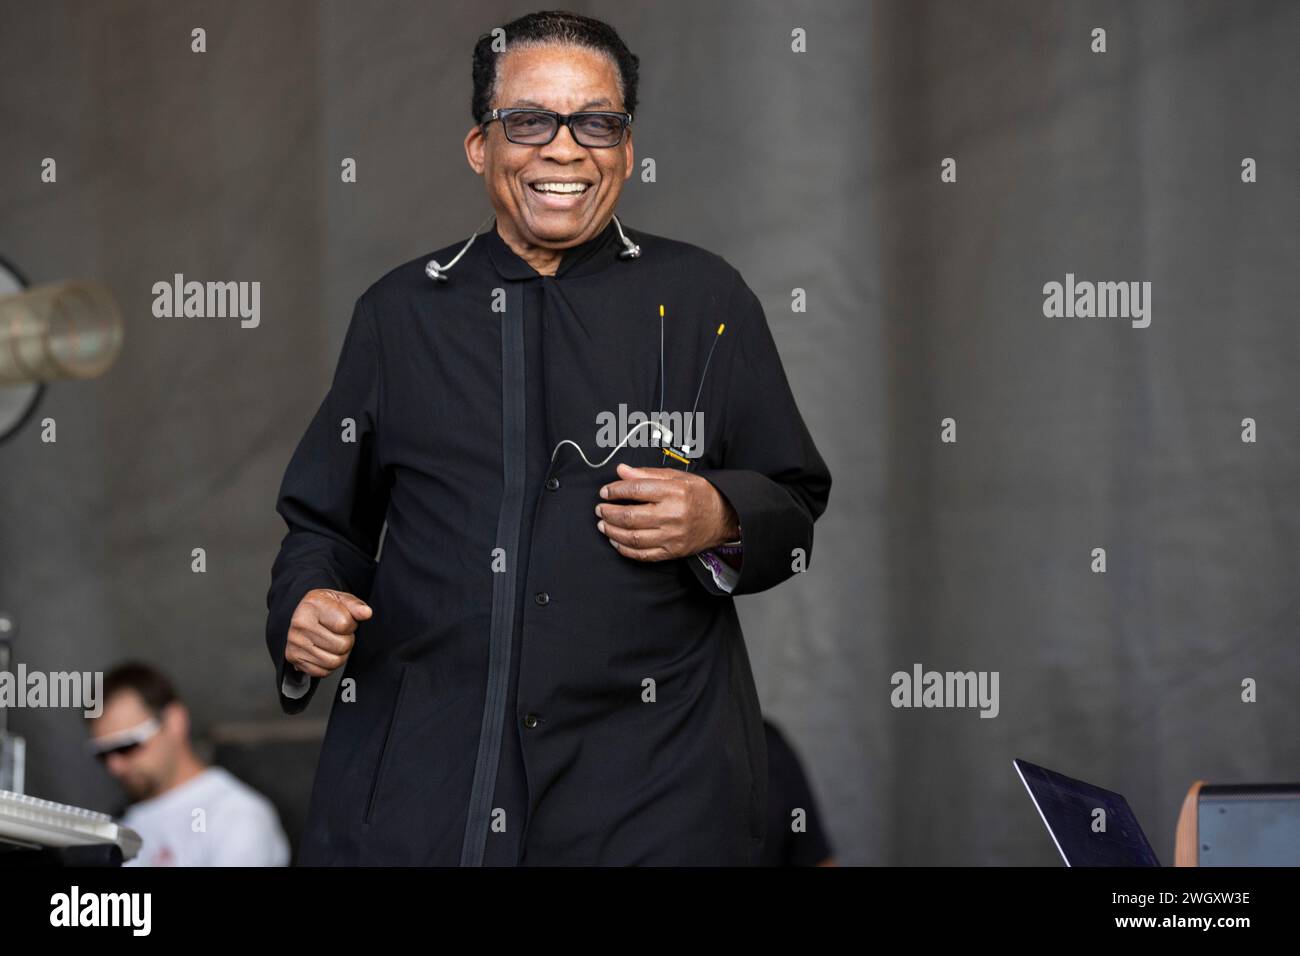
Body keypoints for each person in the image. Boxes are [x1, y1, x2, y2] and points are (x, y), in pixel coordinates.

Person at [265, 10, 831, 865]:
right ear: (479, 146)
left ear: (628, 149)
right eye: (529, 120)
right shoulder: (400, 313)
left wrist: (722, 513)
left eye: (596, 121)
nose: (564, 149)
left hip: (650, 785)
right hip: (434, 775)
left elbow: (795, 501)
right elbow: (323, 527)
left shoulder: (708, 298)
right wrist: (303, 607)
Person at [85, 661, 290, 866]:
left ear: (175, 721)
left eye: (127, 746)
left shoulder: (236, 815)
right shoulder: (123, 823)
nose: (115, 766)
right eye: (102, 754)